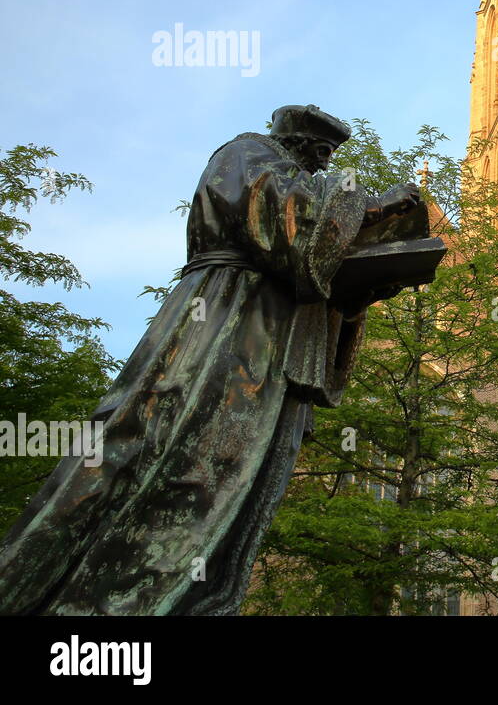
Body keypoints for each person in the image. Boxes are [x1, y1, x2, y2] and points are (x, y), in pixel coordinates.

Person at [0, 104, 420, 614]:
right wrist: (373, 207)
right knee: (180, 456)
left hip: (280, 349)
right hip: (230, 320)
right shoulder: (246, 154)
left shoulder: (288, 171)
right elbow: (291, 222)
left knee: (244, 483)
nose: (323, 166)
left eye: (329, 158)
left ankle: (198, 598)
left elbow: (317, 259)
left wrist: (362, 291)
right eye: (321, 154)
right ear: (298, 141)